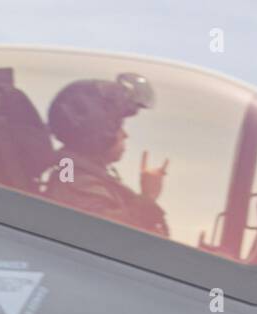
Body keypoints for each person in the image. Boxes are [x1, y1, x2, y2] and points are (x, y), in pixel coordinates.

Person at [42, 75, 170, 236]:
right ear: (99, 131)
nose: (125, 135)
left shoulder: (75, 172)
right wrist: (148, 196)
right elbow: (105, 235)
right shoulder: (71, 179)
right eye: (119, 126)